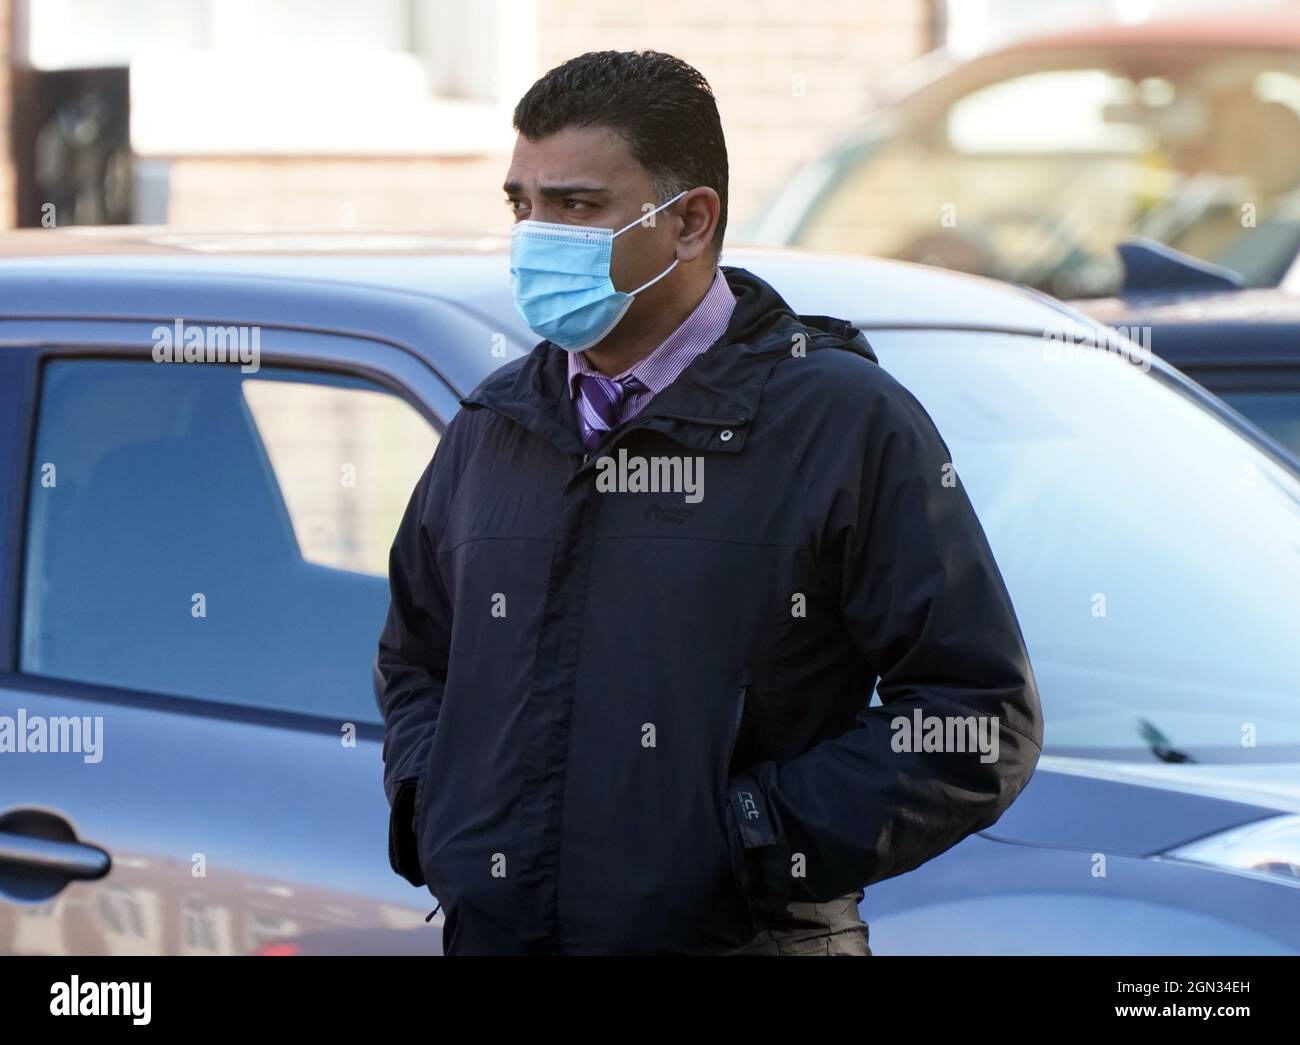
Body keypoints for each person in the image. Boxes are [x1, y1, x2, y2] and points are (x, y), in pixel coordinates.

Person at [379, 49, 1043, 956]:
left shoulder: (842, 421)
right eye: (521, 205)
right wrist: (436, 804)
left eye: (575, 206)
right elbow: (416, 658)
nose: (535, 236)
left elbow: (977, 716)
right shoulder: (496, 425)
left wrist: (749, 838)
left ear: (691, 221)